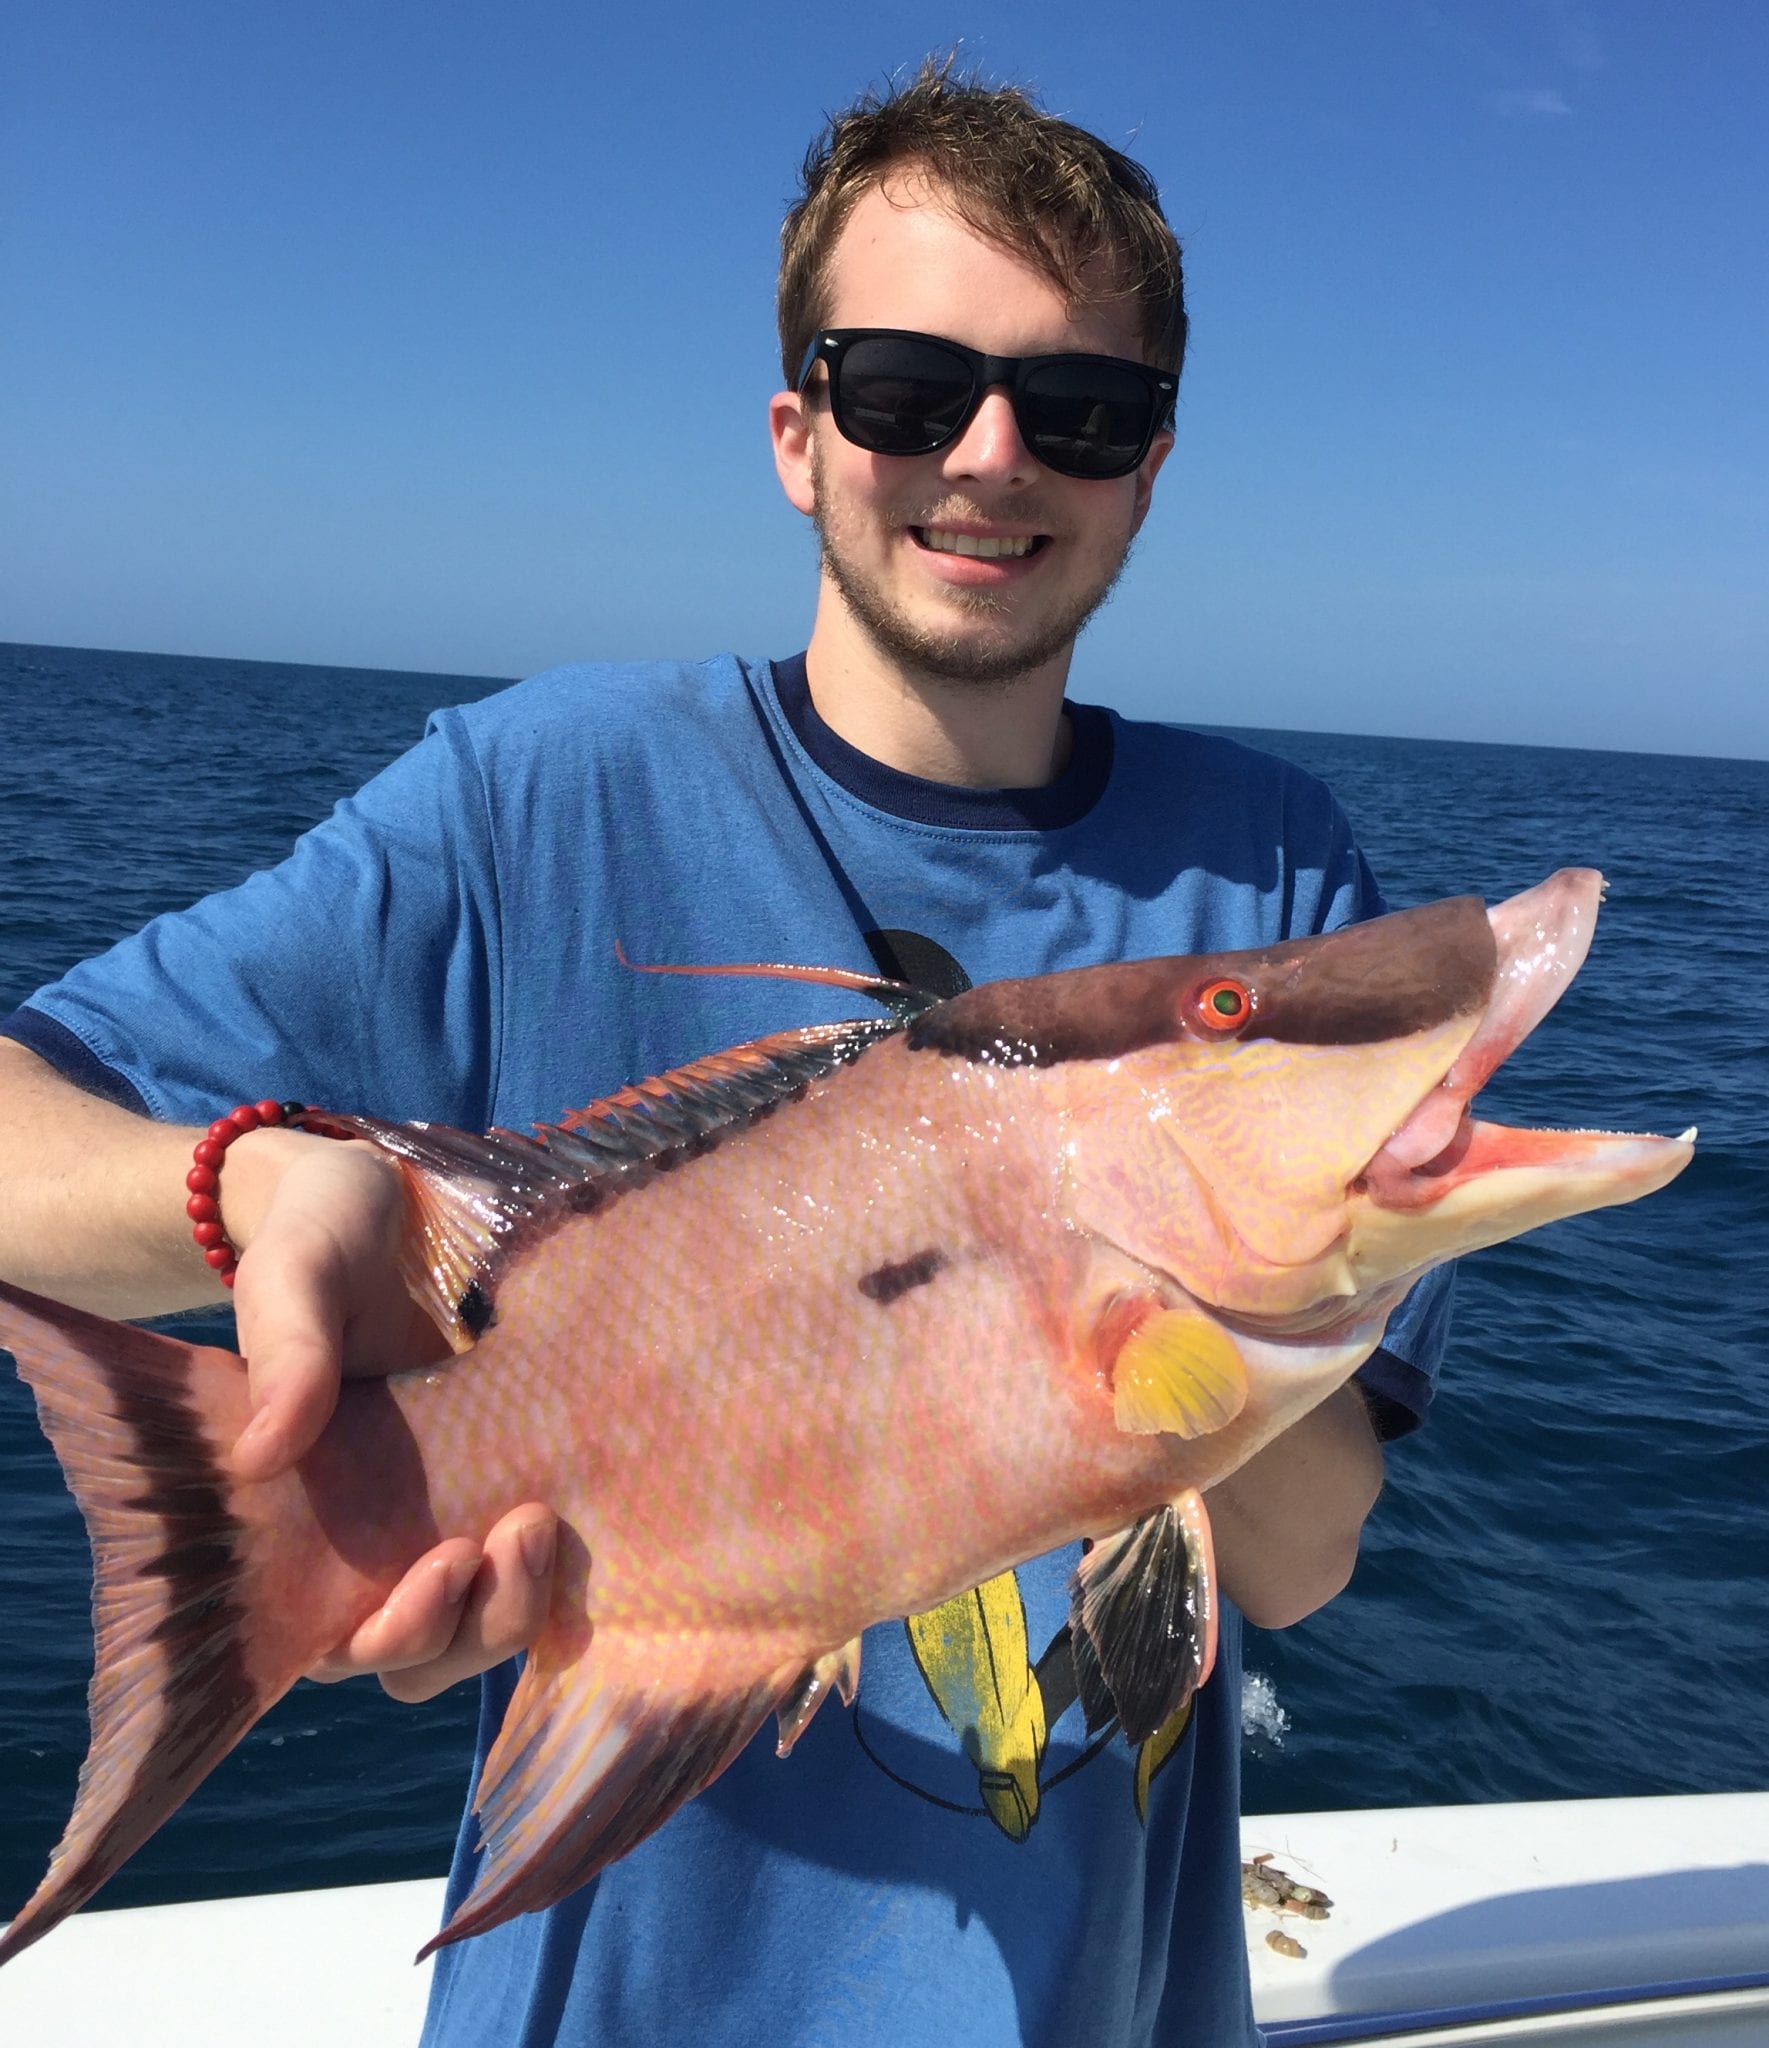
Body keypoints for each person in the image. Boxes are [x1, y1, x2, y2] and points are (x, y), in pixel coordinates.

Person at [0, 62, 1450, 2048]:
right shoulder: (543, 796)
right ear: (797, 431)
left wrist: (1207, 1293)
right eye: (906, 389)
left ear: (1153, 462)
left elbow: (1297, 1567)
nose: (993, 458)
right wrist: (233, 1178)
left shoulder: (1278, 874)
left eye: (1082, 410)